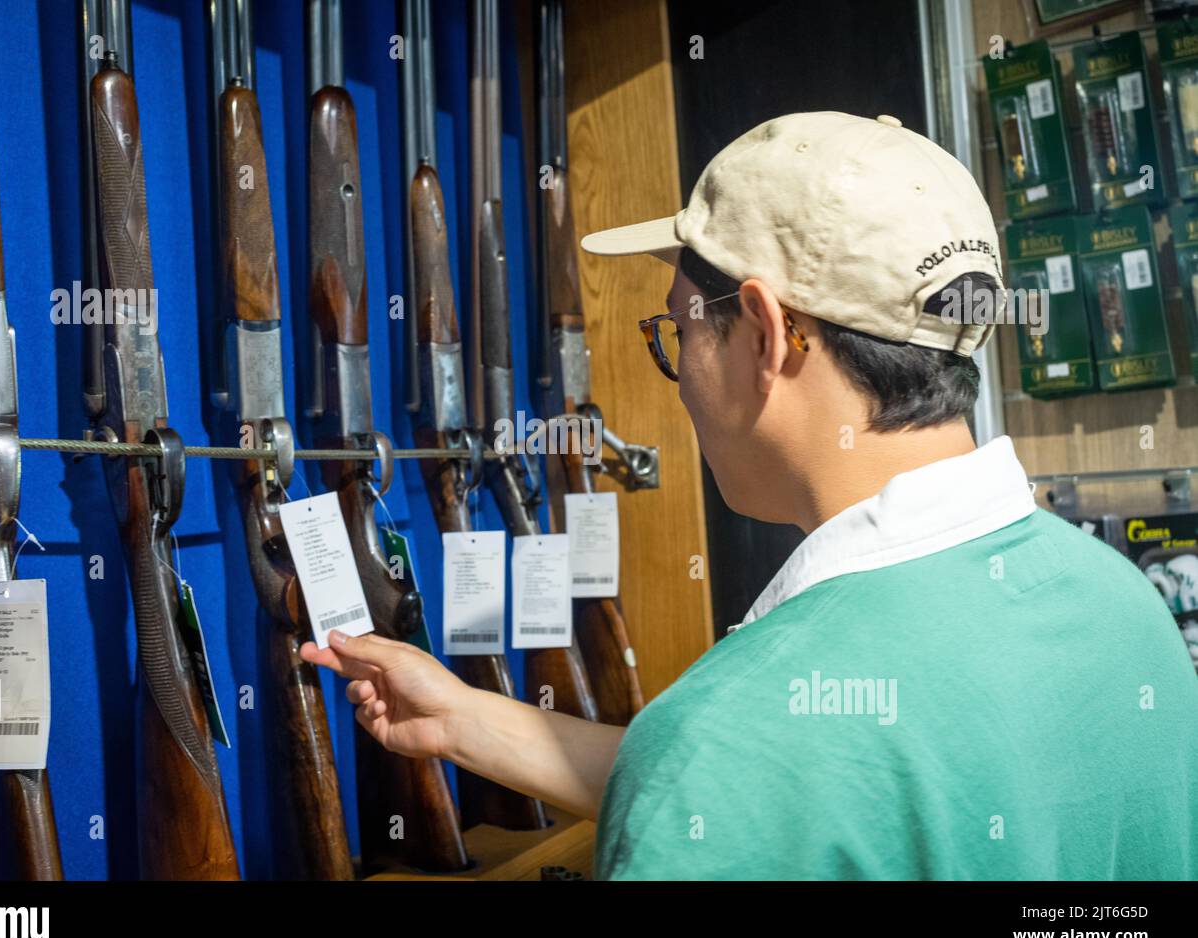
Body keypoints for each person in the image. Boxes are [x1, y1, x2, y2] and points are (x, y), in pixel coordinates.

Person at [301, 111, 1198, 879]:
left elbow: (747, 783)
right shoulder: (1125, 606)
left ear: (766, 335)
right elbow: (805, 795)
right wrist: (463, 718)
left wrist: (695, 754)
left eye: (673, 333)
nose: (678, 378)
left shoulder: (738, 739)